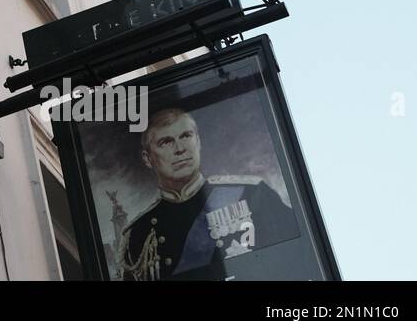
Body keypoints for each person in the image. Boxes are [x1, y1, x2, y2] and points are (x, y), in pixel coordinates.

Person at [118, 107, 297, 280]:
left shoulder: (252, 194)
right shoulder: (138, 234)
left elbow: (295, 257)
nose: (180, 148)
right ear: (147, 159)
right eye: (166, 142)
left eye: (186, 136)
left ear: (199, 141)